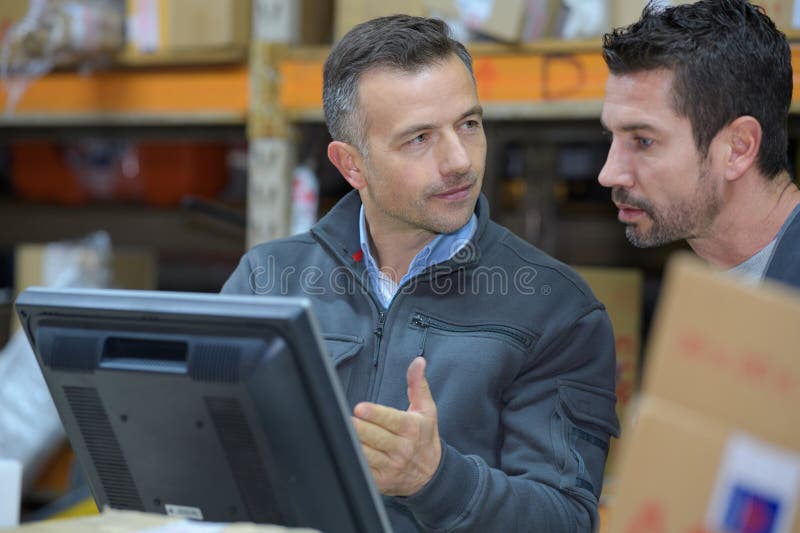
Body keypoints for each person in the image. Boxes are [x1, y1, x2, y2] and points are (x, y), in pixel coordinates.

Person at [223, 15, 619, 532]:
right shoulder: (267, 280)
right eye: (419, 139)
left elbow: (565, 520)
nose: (459, 161)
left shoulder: (557, 309)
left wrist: (435, 479)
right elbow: (202, 450)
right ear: (351, 166)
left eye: (469, 125)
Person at [599, 0, 800, 288]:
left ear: (738, 148)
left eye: (644, 141)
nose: (608, 175)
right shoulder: (713, 293)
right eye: (612, 137)